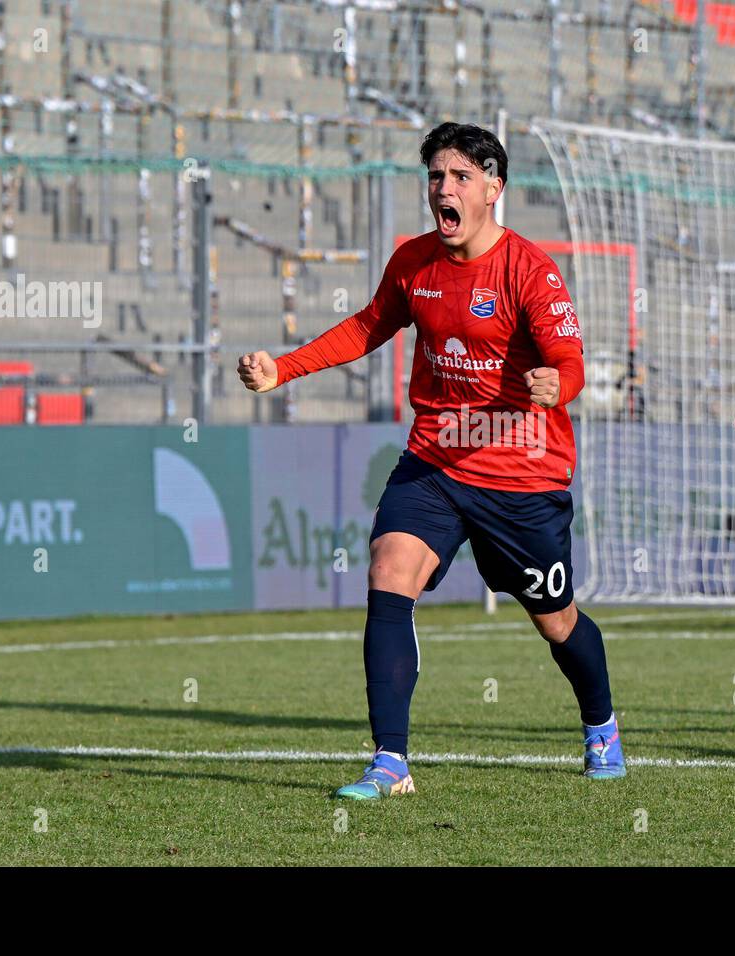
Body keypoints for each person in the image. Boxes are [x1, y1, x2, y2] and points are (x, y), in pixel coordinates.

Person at [238, 122, 625, 797]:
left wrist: (557, 384)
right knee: (389, 571)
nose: (443, 189)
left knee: (557, 620)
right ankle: (391, 761)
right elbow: (367, 325)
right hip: (435, 461)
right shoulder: (413, 261)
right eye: (436, 178)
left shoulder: (530, 270)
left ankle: (601, 725)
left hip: (521, 473)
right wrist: (285, 368)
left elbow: (569, 358)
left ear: (493, 189)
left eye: (460, 178)